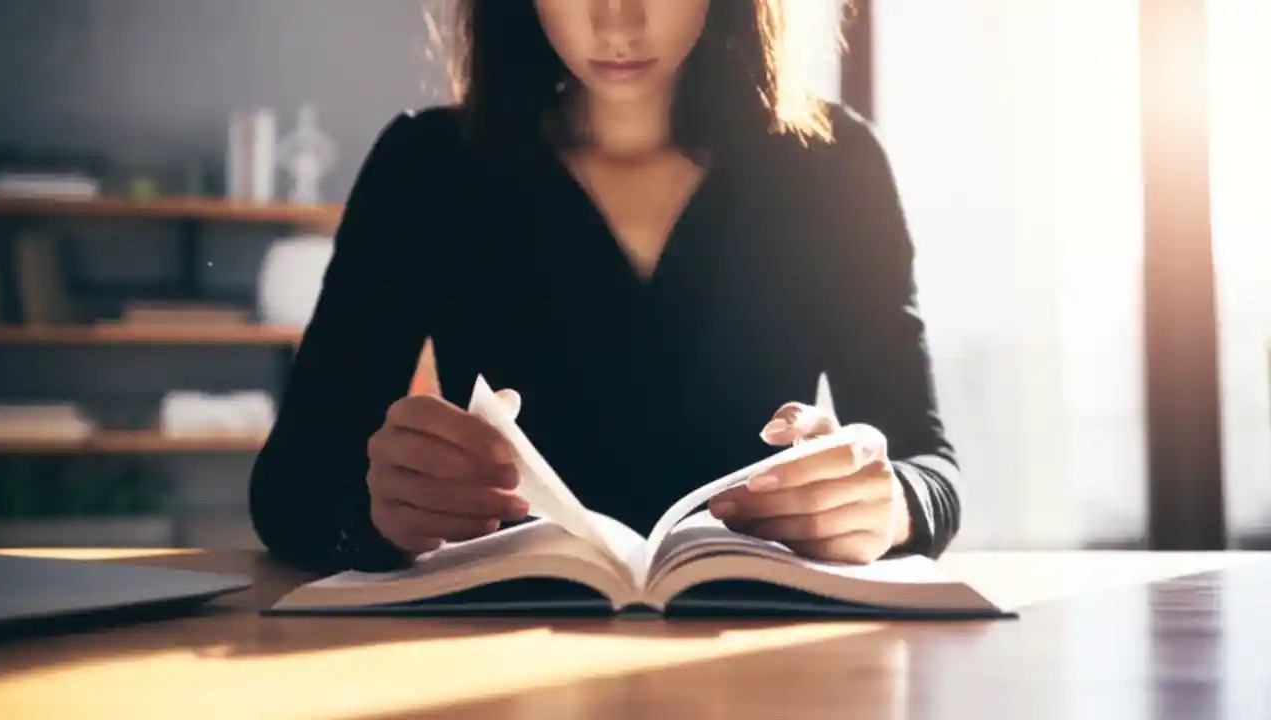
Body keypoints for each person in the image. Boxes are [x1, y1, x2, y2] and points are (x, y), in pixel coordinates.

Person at [249, 0, 960, 573]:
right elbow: (287, 493)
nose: (616, 19)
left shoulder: (835, 167)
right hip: (493, 662)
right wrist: (379, 514)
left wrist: (888, 501)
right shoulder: (426, 167)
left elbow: (932, 471)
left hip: (753, 656)